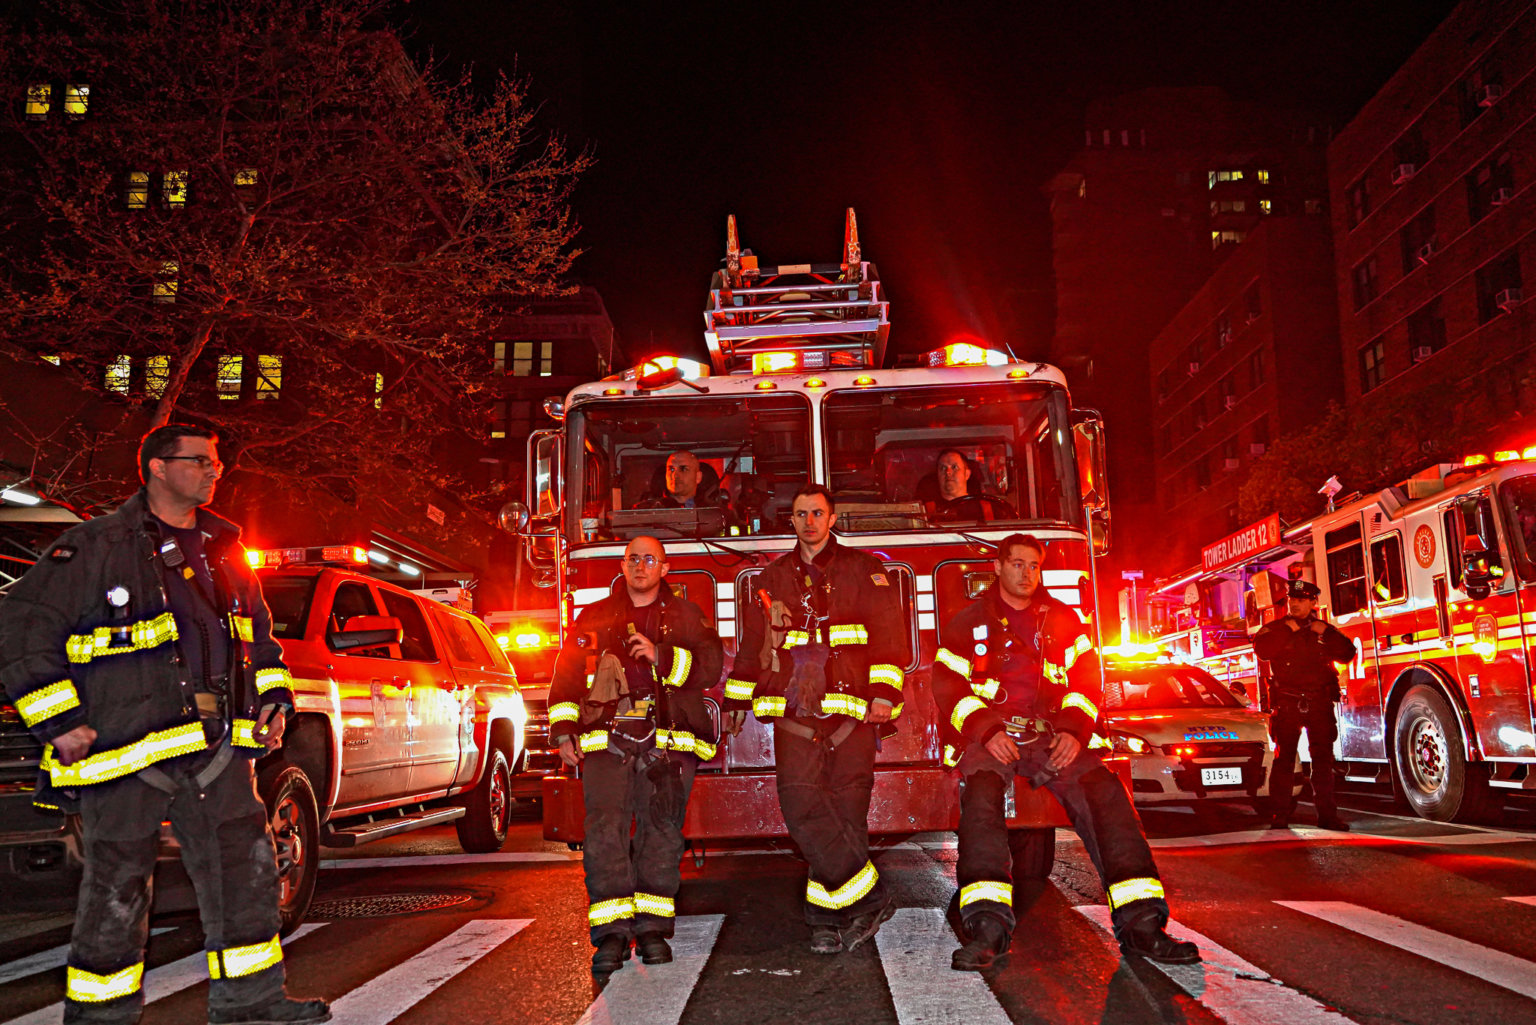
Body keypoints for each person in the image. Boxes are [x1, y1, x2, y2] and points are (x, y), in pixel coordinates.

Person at [0, 424, 329, 1025]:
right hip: (123, 753)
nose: (213, 471)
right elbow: (21, 630)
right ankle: (101, 1018)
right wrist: (61, 722)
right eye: (199, 461)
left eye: (216, 462)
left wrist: (275, 701)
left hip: (217, 753)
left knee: (246, 876)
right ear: (155, 467)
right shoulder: (95, 548)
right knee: (117, 891)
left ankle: (251, 1005)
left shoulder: (225, 553)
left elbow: (258, 642)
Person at [931, 534, 1199, 971]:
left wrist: (1074, 732)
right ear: (997, 568)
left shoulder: (1062, 619)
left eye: (1033, 566)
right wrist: (985, 730)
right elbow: (947, 685)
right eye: (1016, 564)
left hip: (1053, 738)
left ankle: (1143, 926)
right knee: (981, 801)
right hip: (994, 740)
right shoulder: (967, 623)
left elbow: (1087, 680)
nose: (1025, 574)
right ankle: (988, 929)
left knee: (1106, 796)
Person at [723, 484, 904, 955]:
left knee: (847, 817)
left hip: (855, 715)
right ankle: (872, 897)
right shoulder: (772, 579)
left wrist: (884, 693)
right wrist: (735, 703)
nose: (809, 522)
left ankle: (826, 919)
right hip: (794, 716)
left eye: (817, 513)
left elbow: (888, 638)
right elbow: (751, 650)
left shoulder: (867, 572)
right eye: (801, 514)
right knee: (802, 807)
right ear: (793, 521)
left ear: (832, 517)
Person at [547, 535, 724, 974]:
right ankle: (610, 934)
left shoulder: (687, 616)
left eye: (650, 559)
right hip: (607, 741)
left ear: (665, 568)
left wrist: (661, 656)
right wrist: (564, 730)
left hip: (669, 743)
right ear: (622, 566)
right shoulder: (595, 616)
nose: (640, 565)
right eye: (633, 559)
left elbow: (712, 666)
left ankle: (651, 931)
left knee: (661, 832)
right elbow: (567, 675)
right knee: (604, 832)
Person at [1253, 578, 1357, 831]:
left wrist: (1327, 632)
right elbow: (1262, 650)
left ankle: (1327, 816)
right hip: (1288, 703)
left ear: (1313, 602)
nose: (1296, 604)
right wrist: (1288, 630)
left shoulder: (1322, 629)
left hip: (1319, 702)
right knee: (1284, 761)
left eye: (1301, 600)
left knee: (1323, 762)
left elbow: (1347, 653)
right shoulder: (1276, 628)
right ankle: (1280, 815)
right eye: (1292, 599)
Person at [926, 449, 1015, 523]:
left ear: (967, 474)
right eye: (943, 468)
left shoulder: (990, 510)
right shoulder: (927, 513)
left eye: (954, 467)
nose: (948, 472)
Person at [638, 451, 709, 509]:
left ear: (698, 477)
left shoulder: (712, 511)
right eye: (671, 469)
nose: (675, 475)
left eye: (683, 469)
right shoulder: (647, 510)